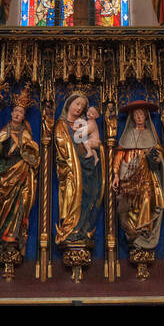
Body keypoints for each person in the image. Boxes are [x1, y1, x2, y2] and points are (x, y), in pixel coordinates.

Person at [0, 91, 40, 271]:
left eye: (21, 112)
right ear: (11, 114)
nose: (18, 114)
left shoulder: (26, 133)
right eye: (16, 111)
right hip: (6, 177)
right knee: (4, 208)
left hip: (21, 176)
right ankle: (2, 237)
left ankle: (15, 237)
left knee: (20, 206)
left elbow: (33, 156)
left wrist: (28, 150)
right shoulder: (4, 131)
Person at [111, 102, 164, 262]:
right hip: (128, 178)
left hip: (146, 177)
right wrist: (115, 175)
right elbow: (119, 157)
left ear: (146, 116)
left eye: (141, 114)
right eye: (136, 115)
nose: (139, 117)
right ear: (132, 118)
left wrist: (154, 157)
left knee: (148, 200)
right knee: (129, 208)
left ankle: (144, 233)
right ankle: (132, 234)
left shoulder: (151, 134)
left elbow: (159, 156)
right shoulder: (127, 135)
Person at [53, 92, 105, 249]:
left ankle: (82, 229)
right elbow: (62, 147)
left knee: (88, 198)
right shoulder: (62, 125)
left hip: (89, 169)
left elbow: (98, 143)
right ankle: (71, 229)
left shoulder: (85, 123)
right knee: (72, 199)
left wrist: (94, 146)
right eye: (77, 104)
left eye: (82, 106)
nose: (79, 108)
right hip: (71, 171)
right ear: (69, 104)